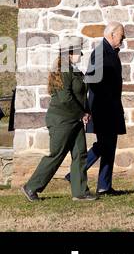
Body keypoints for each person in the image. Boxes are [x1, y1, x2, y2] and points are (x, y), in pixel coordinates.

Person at [22, 40, 96, 202]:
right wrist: (82, 113)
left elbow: (81, 94)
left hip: (74, 119)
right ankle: (31, 187)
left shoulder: (75, 70)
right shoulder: (64, 71)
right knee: (57, 154)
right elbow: (65, 98)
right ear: (69, 54)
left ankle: (80, 192)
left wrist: (86, 111)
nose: (81, 55)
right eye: (78, 52)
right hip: (62, 119)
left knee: (80, 154)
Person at [81, 22, 127, 195]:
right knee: (104, 144)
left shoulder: (111, 52)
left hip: (112, 107)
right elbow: (91, 81)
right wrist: (89, 108)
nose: (123, 39)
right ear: (112, 34)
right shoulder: (100, 52)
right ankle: (77, 171)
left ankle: (104, 186)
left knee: (110, 145)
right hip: (103, 108)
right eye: (122, 35)